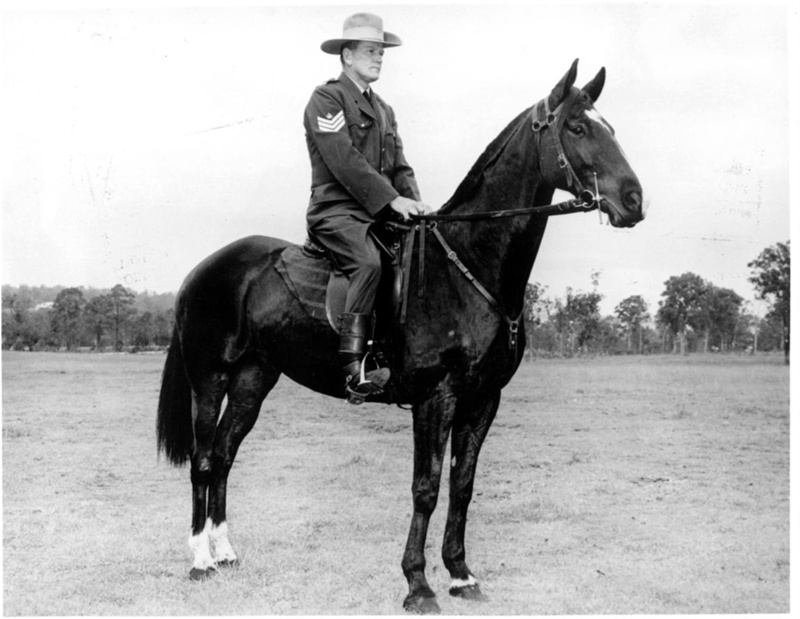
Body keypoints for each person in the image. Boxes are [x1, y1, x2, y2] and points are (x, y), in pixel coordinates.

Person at [304, 13, 431, 404]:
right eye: (371, 51)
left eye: (381, 52)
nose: (379, 58)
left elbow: (400, 167)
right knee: (368, 264)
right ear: (347, 56)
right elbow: (343, 160)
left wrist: (417, 205)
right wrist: (392, 199)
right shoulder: (327, 99)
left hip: (379, 213)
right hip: (336, 212)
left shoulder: (385, 110)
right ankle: (354, 370)